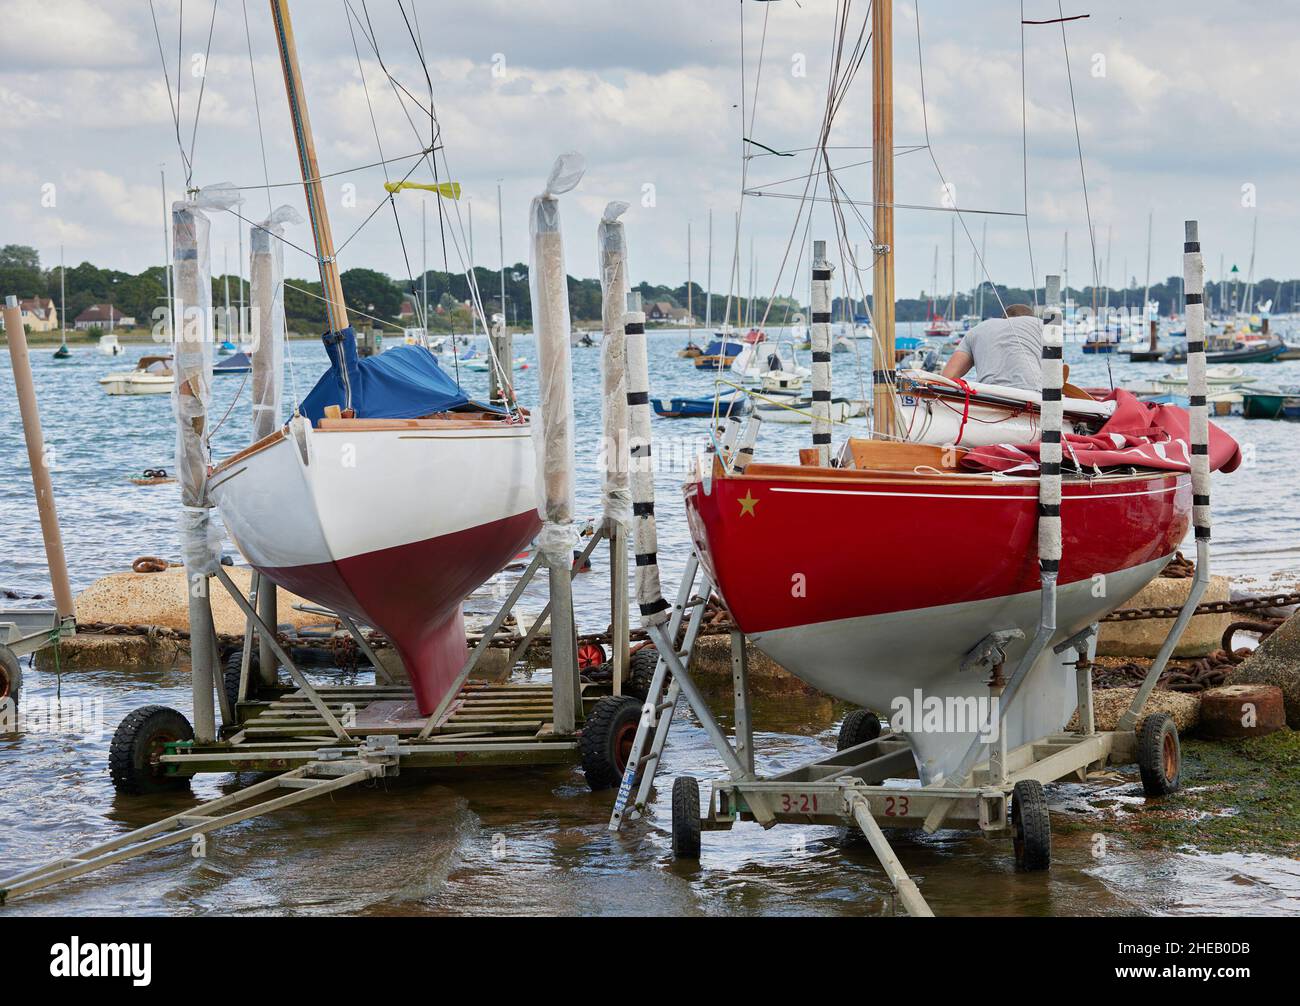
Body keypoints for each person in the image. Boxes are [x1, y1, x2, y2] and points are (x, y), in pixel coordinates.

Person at [941, 303, 1042, 392]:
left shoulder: (977, 329)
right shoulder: (1041, 325)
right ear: (1031, 317)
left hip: (989, 397)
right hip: (1033, 396)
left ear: (1003, 319)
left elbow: (947, 377)